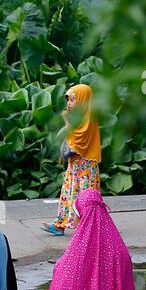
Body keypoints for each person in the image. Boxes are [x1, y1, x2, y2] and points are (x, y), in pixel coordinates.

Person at [43, 83, 101, 236]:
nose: (69, 103)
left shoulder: (87, 121)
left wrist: (67, 123)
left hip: (86, 168)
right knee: (68, 193)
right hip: (74, 166)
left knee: (85, 197)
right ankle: (60, 224)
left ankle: (87, 227)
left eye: (73, 100)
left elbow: (73, 146)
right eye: (68, 99)